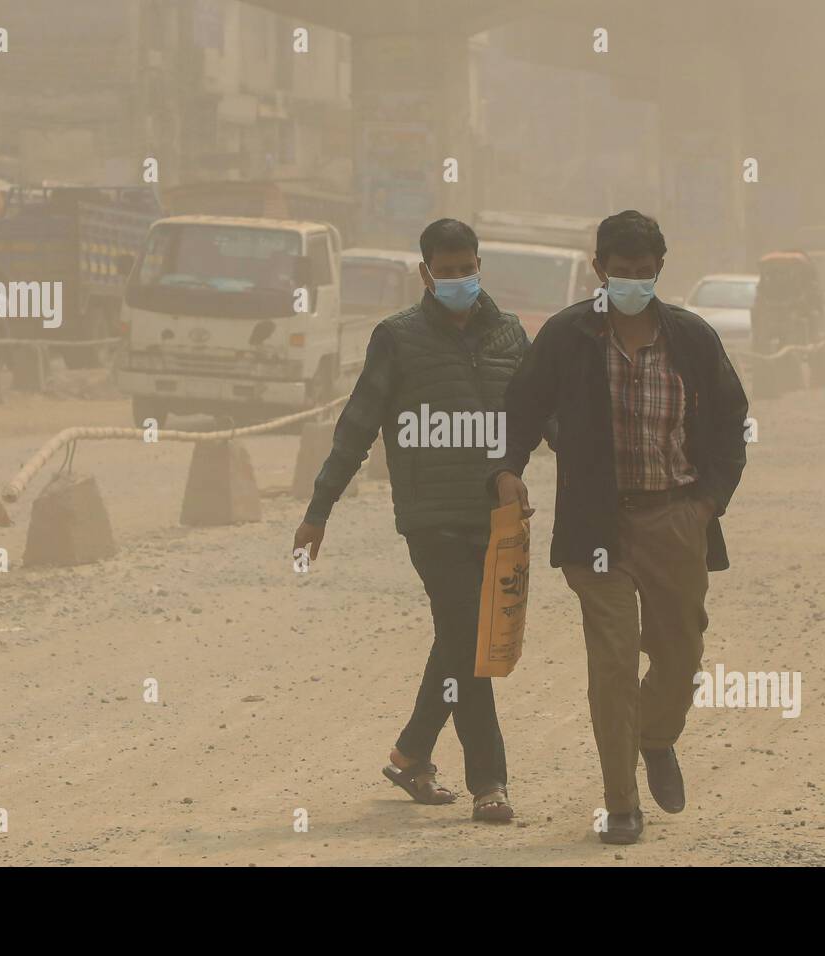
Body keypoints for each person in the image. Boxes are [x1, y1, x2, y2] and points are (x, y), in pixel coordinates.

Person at [491, 210, 749, 844]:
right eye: (619, 271)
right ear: (597, 268)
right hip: (596, 525)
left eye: (643, 271)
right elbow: (519, 410)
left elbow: (730, 420)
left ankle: (656, 738)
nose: (631, 281)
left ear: (659, 269)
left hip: (677, 518)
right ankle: (620, 801)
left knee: (680, 655)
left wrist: (709, 502)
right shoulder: (566, 337)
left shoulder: (691, 338)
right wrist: (506, 471)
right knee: (610, 662)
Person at [292, 218, 531, 823]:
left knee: (459, 639)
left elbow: (537, 418)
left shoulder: (509, 334)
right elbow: (357, 425)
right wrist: (319, 510)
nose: (458, 279)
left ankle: (410, 754)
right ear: (425, 274)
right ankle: (490, 783)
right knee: (472, 646)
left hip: (496, 521)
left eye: (467, 268)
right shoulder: (397, 338)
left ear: (480, 267)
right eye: (446, 270)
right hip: (430, 519)